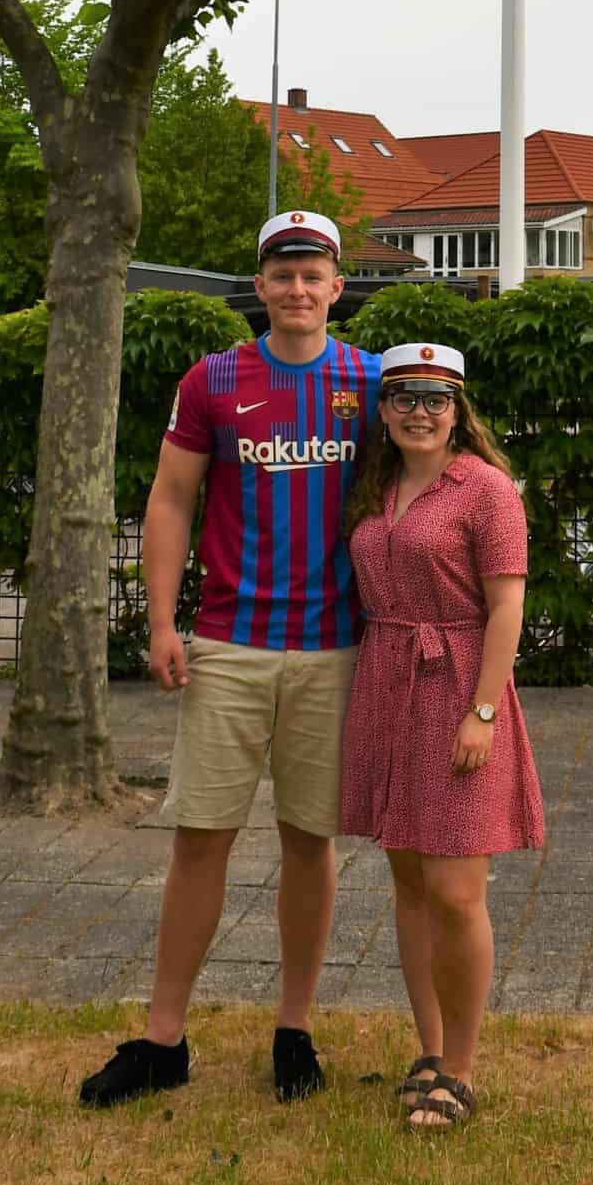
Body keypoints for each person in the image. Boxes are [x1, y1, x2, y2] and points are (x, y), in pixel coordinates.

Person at [79, 209, 380, 1110]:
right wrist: (160, 621)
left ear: (337, 288)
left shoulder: (373, 382)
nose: (297, 288)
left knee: (310, 842)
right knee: (201, 838)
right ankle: (163, 1039)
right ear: (259, 287)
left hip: (335, 649)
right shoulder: (212, 379)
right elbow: (170, 499)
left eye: (313, 274)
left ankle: (295, 1029)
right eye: (282, 273)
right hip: (229, 642)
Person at [338, 341, 544, 1130]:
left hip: (457, 686)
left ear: (458, 412)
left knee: (457, 892)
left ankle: (461, 1069)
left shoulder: (487, 490)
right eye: (404, 398)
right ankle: (428, 1050)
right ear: (383, 410)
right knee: (412, 885)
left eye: (435, 399)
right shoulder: (376, 486)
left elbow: (507, 608)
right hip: (386, 684)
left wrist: (483, 711)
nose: (419, 412)